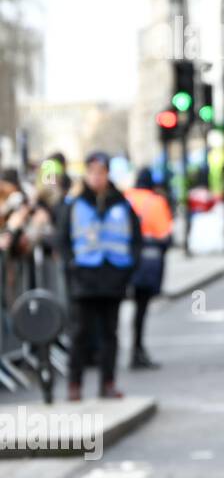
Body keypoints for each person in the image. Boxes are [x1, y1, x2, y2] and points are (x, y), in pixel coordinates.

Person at [57, 151, 142, 401]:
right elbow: (62, 240)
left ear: (107, 174)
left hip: (113, 277)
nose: (96, 177)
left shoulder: (122, 203)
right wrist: (71, 266)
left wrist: (127, 269)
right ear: (86, 174)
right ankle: (75, 385)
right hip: (83, 279)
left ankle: (108, 383)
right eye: (92, 172)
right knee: (79, 333)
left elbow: (135, 238)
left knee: (109, 335)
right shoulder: (74, 203)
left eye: (101, 172)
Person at [122, 168, 174, 369]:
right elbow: (165, 236)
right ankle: (137, 350)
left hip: (122, 262)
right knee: (140, 309)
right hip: (148, 262)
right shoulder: (156, 201)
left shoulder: (126, 198)